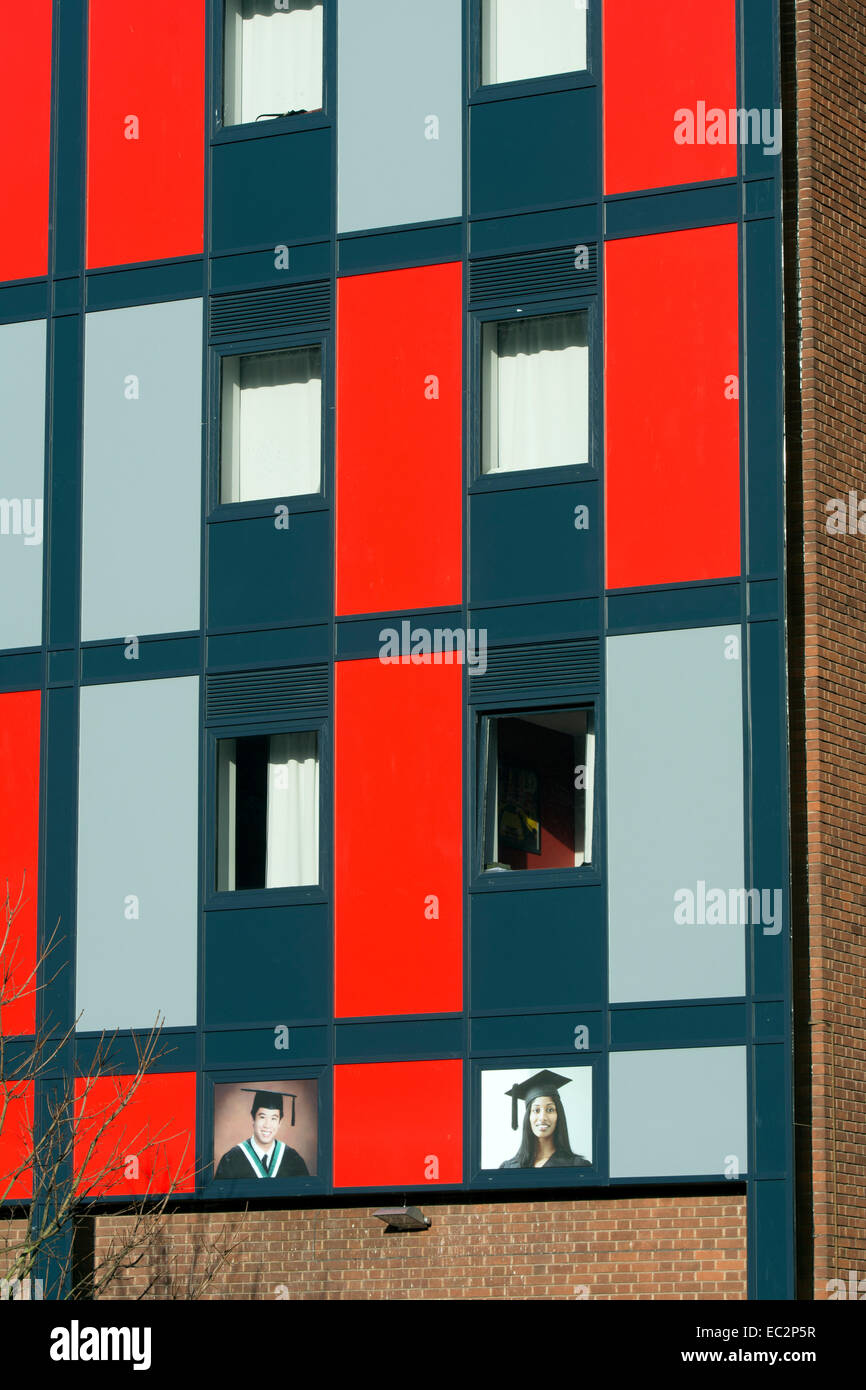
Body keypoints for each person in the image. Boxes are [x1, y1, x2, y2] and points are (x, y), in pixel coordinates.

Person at [499, 1069, 590, 1169]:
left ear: (559, 1115)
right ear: (528, 1117)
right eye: (536, 1110)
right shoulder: (508, 1167)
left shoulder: (577, 1166)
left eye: (550, 1110)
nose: (542, 1118)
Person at [214, 1088, 309, 1180]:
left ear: (280, 1122)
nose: (267, 1125)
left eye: (273, 1118)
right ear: (253, 1119)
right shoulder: (232, 1159)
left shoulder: (293, 1159)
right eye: (262, 1117)